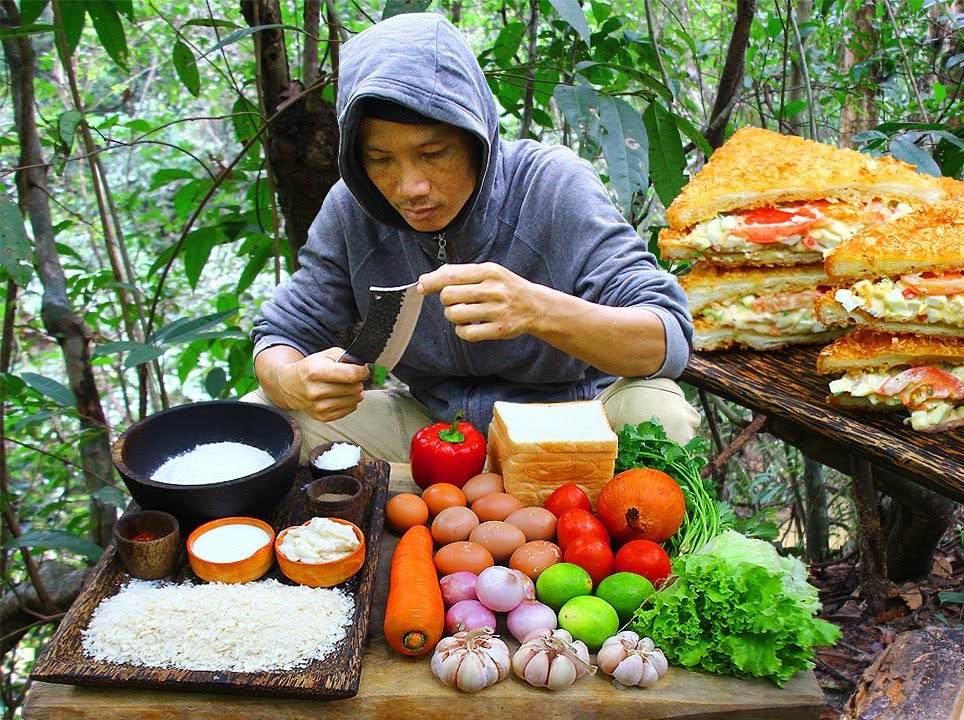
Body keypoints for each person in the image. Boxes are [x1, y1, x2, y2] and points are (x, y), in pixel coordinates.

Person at [246, 12, 700, 462]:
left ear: (475, 136)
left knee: (658, 412)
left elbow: (667, 337)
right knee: (261, 416)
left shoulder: (554, 187)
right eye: (380, 159)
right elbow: (283, 333)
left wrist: (538, 310)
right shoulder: (352, 210)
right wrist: (293, 380)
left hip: (573, 422)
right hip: (437, 431)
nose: (410, 187)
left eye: (433, 152)